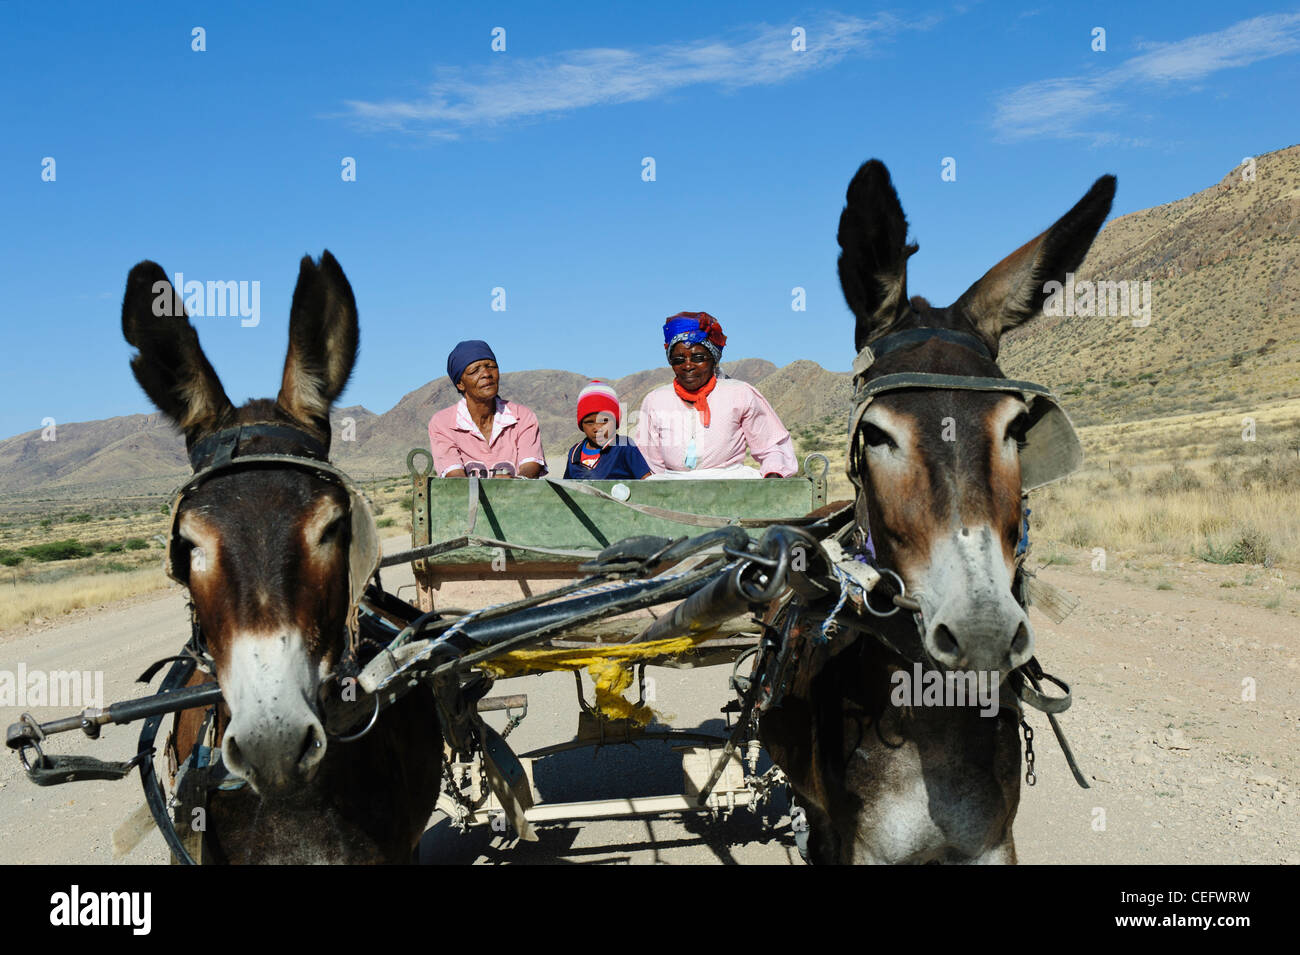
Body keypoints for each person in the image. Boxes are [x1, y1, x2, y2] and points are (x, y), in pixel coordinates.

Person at [635, 312, 797, 479]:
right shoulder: (656, 400)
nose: (688, 366)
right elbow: (648, 458)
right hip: (671, 486)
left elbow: (771, 446)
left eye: (698, 358)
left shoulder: (739, 393)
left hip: (731, 485)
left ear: (713, 359)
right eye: (678, 360)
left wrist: (774, 476)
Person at [428, 340, 546, 478]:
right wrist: (492, 489)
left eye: (491, 366)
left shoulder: (522, 417)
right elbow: (454, 477)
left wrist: (516, 482)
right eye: (474, 370)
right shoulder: (443, 423)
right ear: (460, 384)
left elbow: (531, 465)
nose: (486, 374)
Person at [563, 381, 652, 480]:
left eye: (604, 421)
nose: (597, 428)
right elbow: (567, 487)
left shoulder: (625, 447)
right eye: (589, 422)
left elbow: (646, 483)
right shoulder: (574, 453)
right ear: (581, 425)